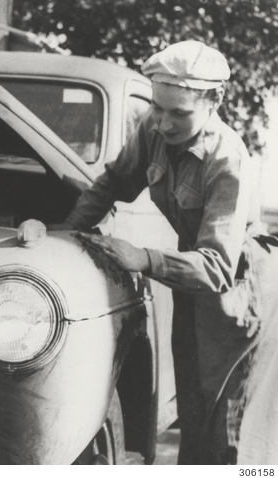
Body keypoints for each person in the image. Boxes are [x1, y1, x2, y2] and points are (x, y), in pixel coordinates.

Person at [59, 40, 278, 464]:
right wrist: (69, 233)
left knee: (229, 429)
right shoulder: (155, 128)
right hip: (188, 283)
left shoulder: (228, 160)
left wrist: (142, 257)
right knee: (192, 415)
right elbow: (114, 182)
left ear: (214, 101)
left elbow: (217, 267)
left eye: (179, 113)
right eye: (158, 108)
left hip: (239, 293)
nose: (163, 122)